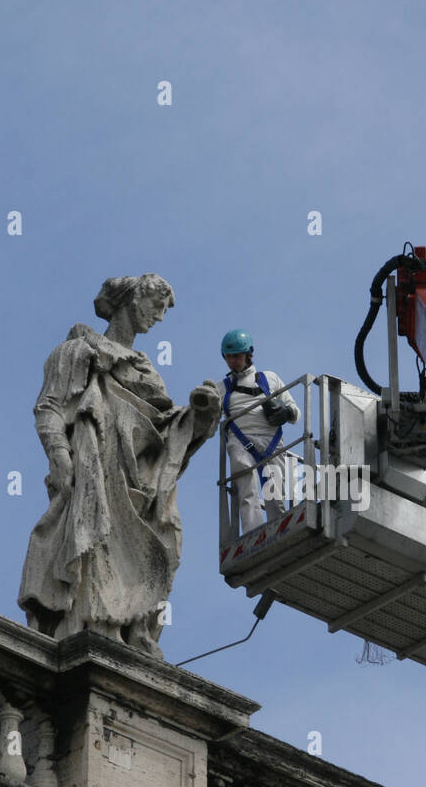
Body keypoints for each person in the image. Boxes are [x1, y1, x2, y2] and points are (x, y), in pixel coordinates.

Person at [18, 273, 221, 657]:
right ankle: (86, 627)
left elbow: (162, 435)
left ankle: (128, 631)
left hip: (133, 485)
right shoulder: (78, 351)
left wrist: (199, 417)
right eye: (156, 306)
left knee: (154, 546)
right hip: (93, 469)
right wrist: (59, 453)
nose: (159, 318)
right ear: (131, 300)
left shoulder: (147, 373)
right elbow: (48, 407)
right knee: (92, 543)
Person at [218, 330, 300, 535]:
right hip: (240, 442)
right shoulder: (222, 388)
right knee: (247, 493)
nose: (232, 361)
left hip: (271, 441)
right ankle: (253, 535)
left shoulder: (269, 379)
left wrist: (285, 413)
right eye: (228, 357)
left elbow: (295, 412)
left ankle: (280, 530)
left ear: (248, 354)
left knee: (276, 493)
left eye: (236, 356)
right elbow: (205, 416)